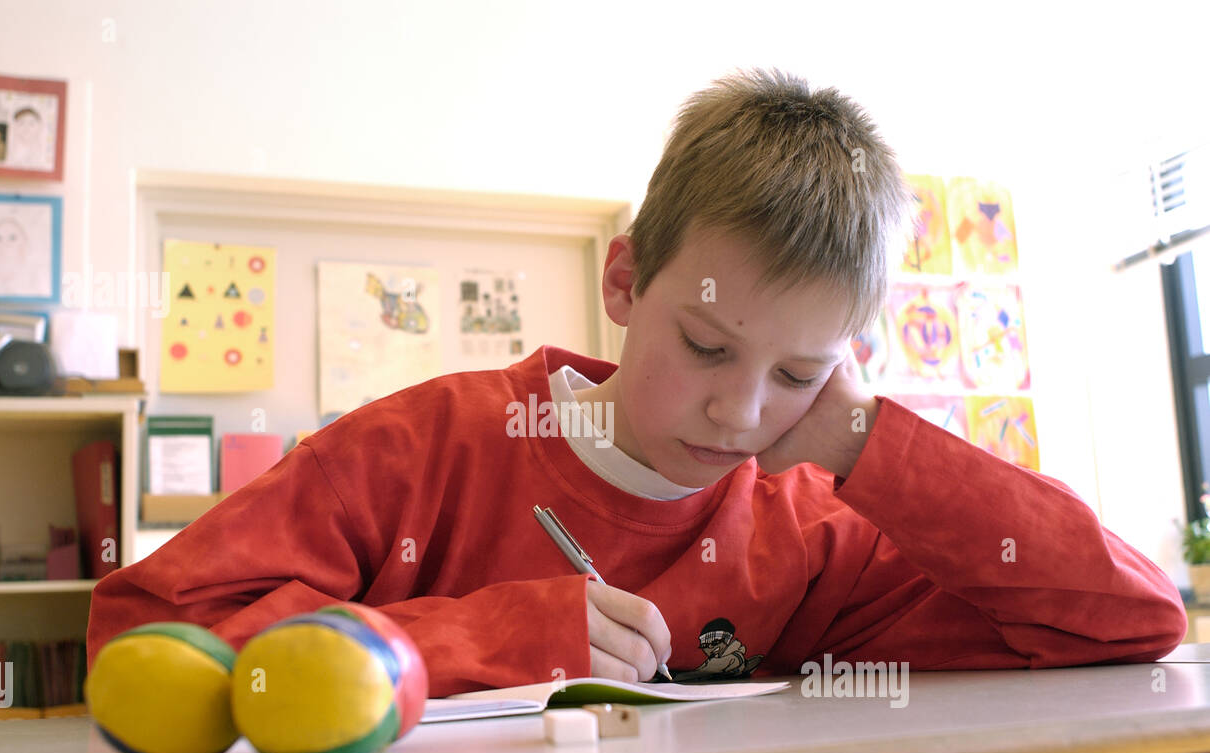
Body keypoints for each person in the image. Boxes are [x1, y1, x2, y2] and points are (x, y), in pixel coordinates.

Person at [86, 68, 1185, 701]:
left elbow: (1126, 621)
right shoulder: (421, 449)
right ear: (623, 279)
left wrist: (871, 446)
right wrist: (493, 642)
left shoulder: (808, 526)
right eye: (706, 346)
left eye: (799, 373)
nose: (741, 412)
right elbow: (143, 637)